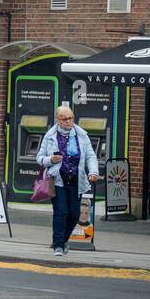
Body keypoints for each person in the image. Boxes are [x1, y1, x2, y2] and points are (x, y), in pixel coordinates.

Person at [36, 104, 99, 256]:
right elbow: (39, 158)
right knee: (61, 211)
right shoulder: (50, 136)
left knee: (74, 214)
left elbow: (90, 156)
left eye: (71, 118)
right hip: (58, 180)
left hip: (76, 180)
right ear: (58, 120)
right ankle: (58, 245)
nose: (68, 122)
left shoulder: (81, 135)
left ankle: (63, 240)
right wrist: (51, 159)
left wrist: (93, 171)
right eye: (64, 119)